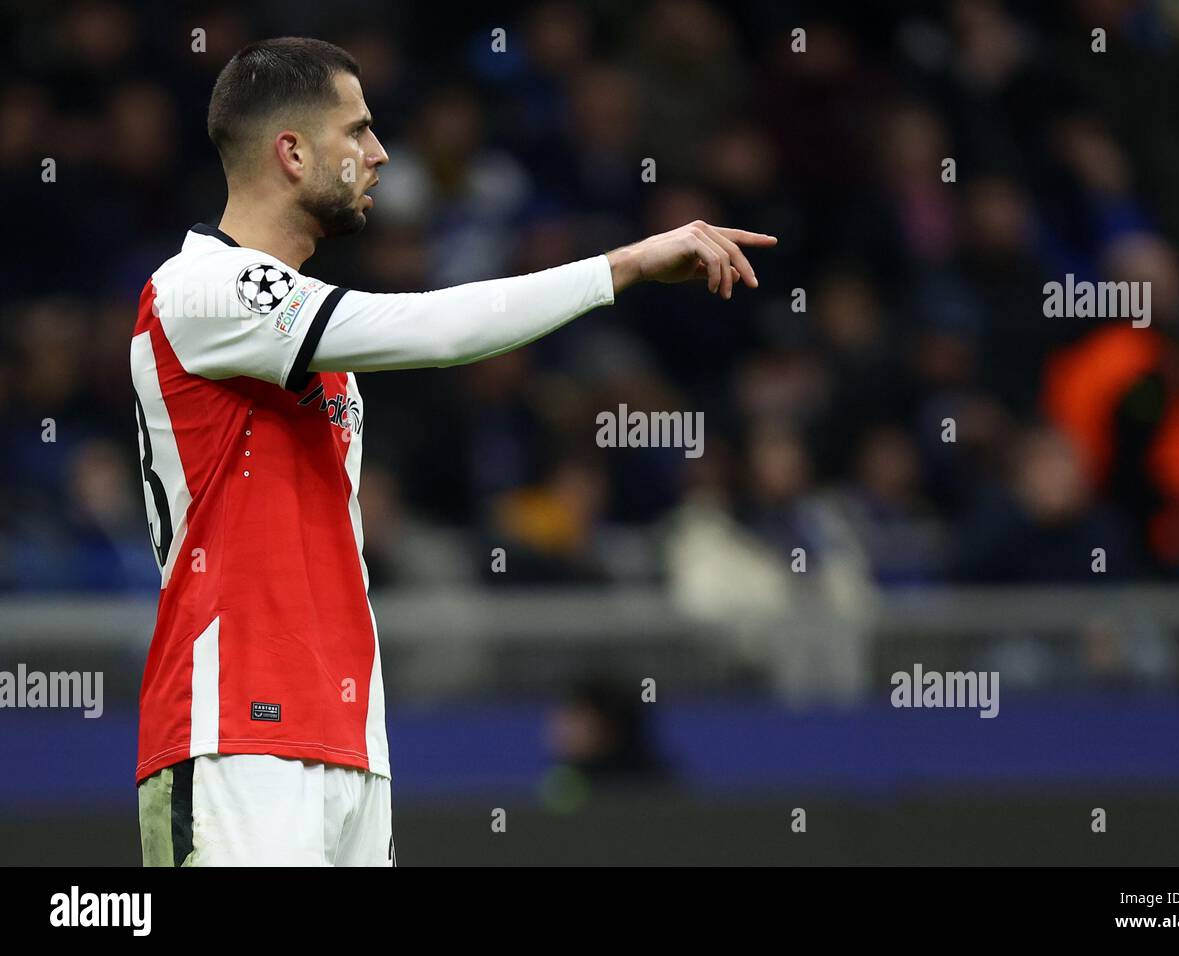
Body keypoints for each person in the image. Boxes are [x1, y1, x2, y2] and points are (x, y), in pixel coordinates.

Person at [131, 36, 776, 866]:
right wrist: (626, 265)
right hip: (231, 730)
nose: (380, 153)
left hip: (346, 738)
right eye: (357, 131)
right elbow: (431, 329)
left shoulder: (320, 359)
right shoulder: (199, 289)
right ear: (290, 152)